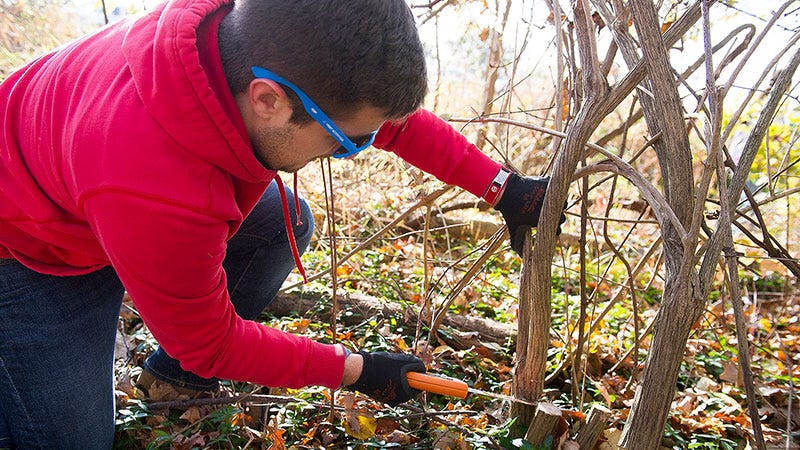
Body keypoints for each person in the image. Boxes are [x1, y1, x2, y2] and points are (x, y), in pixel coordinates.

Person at [0, 0, 557, 447]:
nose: (357, 151)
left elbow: (386, 122)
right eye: (345, 143)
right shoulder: (157, 184)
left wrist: (502, 188)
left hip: (95, 198)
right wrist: (356, 370)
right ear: (268, 100)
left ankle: (168, 373)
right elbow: (212, 343)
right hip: (28, 251)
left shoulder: (244, 40)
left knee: (281, 220)